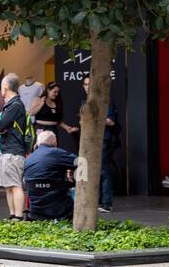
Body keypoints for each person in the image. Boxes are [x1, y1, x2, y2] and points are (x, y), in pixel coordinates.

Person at [63, 75, 119, 212]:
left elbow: (111, 121)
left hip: (103, 140)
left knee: (103, 171)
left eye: (90, 84)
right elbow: (83, 122)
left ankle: (107, 204)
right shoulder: (84, 102)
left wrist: (94, 117)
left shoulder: (105, 100)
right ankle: (97, 202)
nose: (87, 87)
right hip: (88, 141)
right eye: (85, 84)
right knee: (91, 171)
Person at [0, 73, 34, 219]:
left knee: (15, 185)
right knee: (9, 186)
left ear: (5, 87)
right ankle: (12, 215)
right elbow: (0, 126)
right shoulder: (13, 105)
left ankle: (17, 217)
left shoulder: (15, 105)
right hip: (9, 151)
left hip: (13, 152)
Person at [24, 130, 77, 220]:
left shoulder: (30, 158)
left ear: (37, 143)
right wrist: (73, 172)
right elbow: (81, 161)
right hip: (58, 209)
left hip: (35, 210)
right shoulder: (57, 153)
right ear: (54, 142)